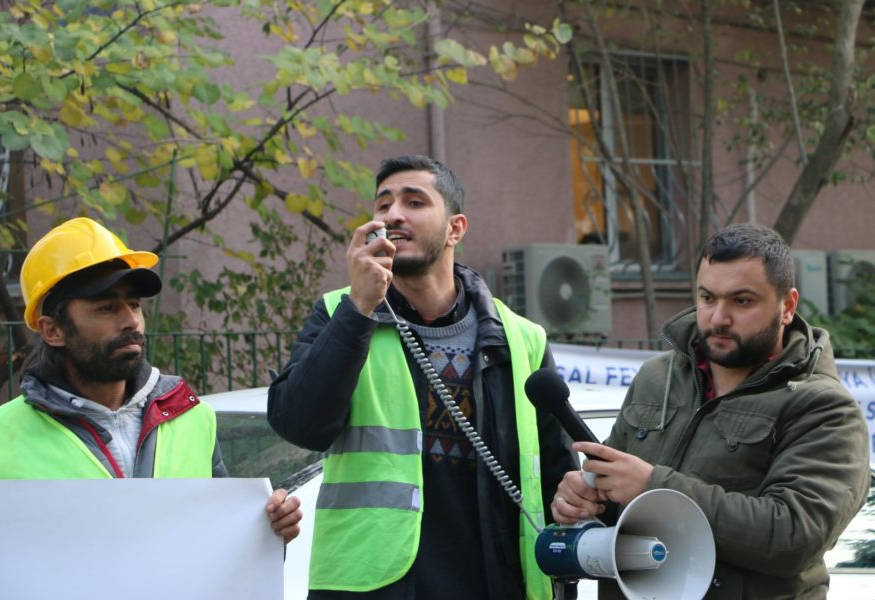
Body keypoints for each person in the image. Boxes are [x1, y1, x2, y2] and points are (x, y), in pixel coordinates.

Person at [268, 155, 577, 599]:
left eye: (414, 202)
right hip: (376, 588)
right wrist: (359, 308)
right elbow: (300, 425)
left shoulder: (521, 339)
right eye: (383, 205)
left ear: (455, 229)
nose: (393, 214)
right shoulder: (341, 313)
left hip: (495, 584)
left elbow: (556, 478)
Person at [552, 223, 870, 599]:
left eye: (742, 301)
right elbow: (619, 502)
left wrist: (654, 486)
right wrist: (585, 499)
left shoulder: (825, 408)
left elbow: (794, 537)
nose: (719, 317)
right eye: (707, 297)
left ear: (787, 307)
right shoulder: (656, 377)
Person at [0, 217, 302, 543]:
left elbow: (217, 541)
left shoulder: (192, 418)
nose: (130, 320)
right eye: (106, 308)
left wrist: (264, 533)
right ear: (53, 330)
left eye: (133, 304)